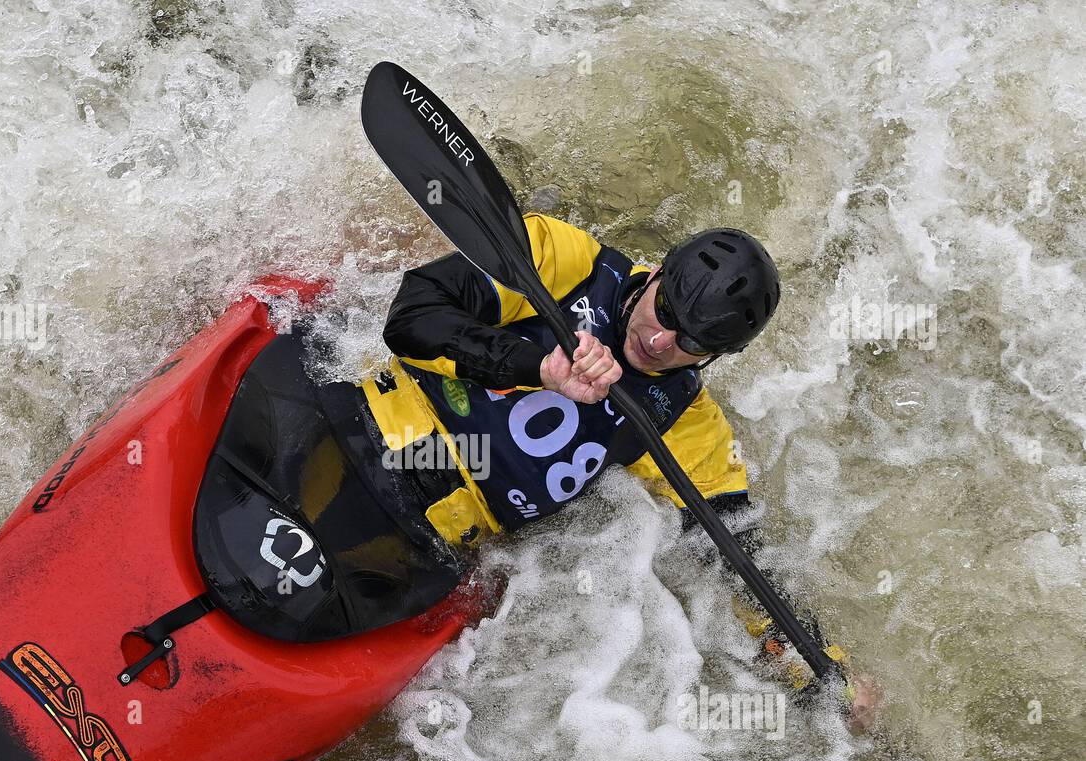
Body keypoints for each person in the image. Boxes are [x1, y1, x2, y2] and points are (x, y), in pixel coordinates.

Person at [366, 213, 878, 731]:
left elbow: (738, 556)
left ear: (718, 355)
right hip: (365, 427)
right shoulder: (563, 261)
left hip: (427, 546)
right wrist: (538, 367)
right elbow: (412, 314)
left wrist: (820, 669)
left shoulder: (684, 423)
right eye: (666, 311)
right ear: (655, 274)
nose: (660, 342)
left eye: (692, 344)